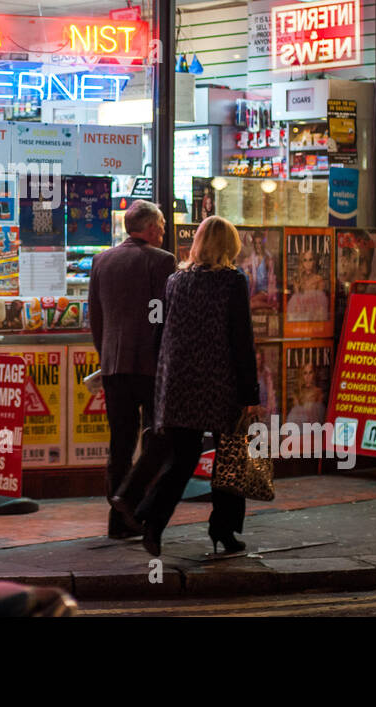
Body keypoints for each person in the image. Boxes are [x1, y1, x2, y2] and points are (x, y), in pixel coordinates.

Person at [113, 216, 262, 557]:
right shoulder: (232, 281)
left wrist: (163, 376)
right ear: (229, 245)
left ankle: (152, 520)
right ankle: (223, 531)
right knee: (230, 460)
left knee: (181, 459)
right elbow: (241, 339)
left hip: (180, 384)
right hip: (219, 383)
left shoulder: (175, 280)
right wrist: (250, 392)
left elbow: (159, 331)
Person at [88, 200, 176, 540]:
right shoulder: (161, 260)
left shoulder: (102, 260)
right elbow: (162, 314)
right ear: (151, 228)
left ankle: (118, 521)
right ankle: (136, 504)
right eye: (163, 226)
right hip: (151, 366)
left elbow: (96, 317)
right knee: (159, 439)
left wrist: (106, 353)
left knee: (120, 444)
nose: (164, 232)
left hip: (113, 366)